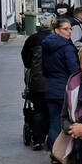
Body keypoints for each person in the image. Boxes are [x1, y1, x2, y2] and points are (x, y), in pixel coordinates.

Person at [41, 16, 81, 164]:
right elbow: (74, 70)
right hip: (65, 90)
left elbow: (44, 68)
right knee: (68, 123)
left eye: (70, 28)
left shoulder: (46, 45)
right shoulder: (67, 47)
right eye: (65, 29)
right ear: (57, 30)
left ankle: (54, 157)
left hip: (50, 88)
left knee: (53, 123)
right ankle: (64, 156)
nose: (69, 32)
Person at [20, 13, 55, 150]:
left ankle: (38, 139)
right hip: (54, 83)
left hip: (37, 83)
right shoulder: (56, 39)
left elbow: (26, 59)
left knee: (39, 109)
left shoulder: (32, 39)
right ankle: (54, 141)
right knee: (54, 111)